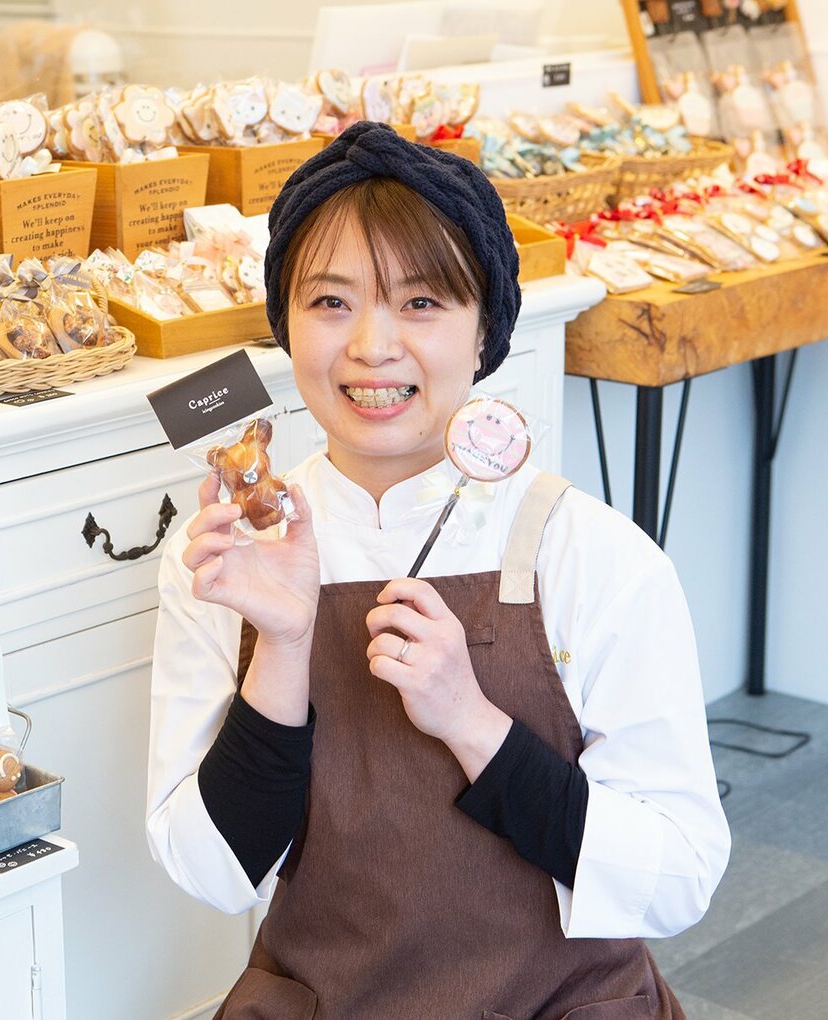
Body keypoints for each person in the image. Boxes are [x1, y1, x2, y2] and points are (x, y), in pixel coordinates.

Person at [146, 123, 730, 1019]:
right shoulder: (226, 560)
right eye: (330, 301)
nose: (372, 346)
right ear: (284, 323)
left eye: (420, 302)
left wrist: (471, 721)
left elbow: (677, 876)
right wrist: (284, 644)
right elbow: (214, 873)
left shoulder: (593, 554)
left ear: (486, 327)